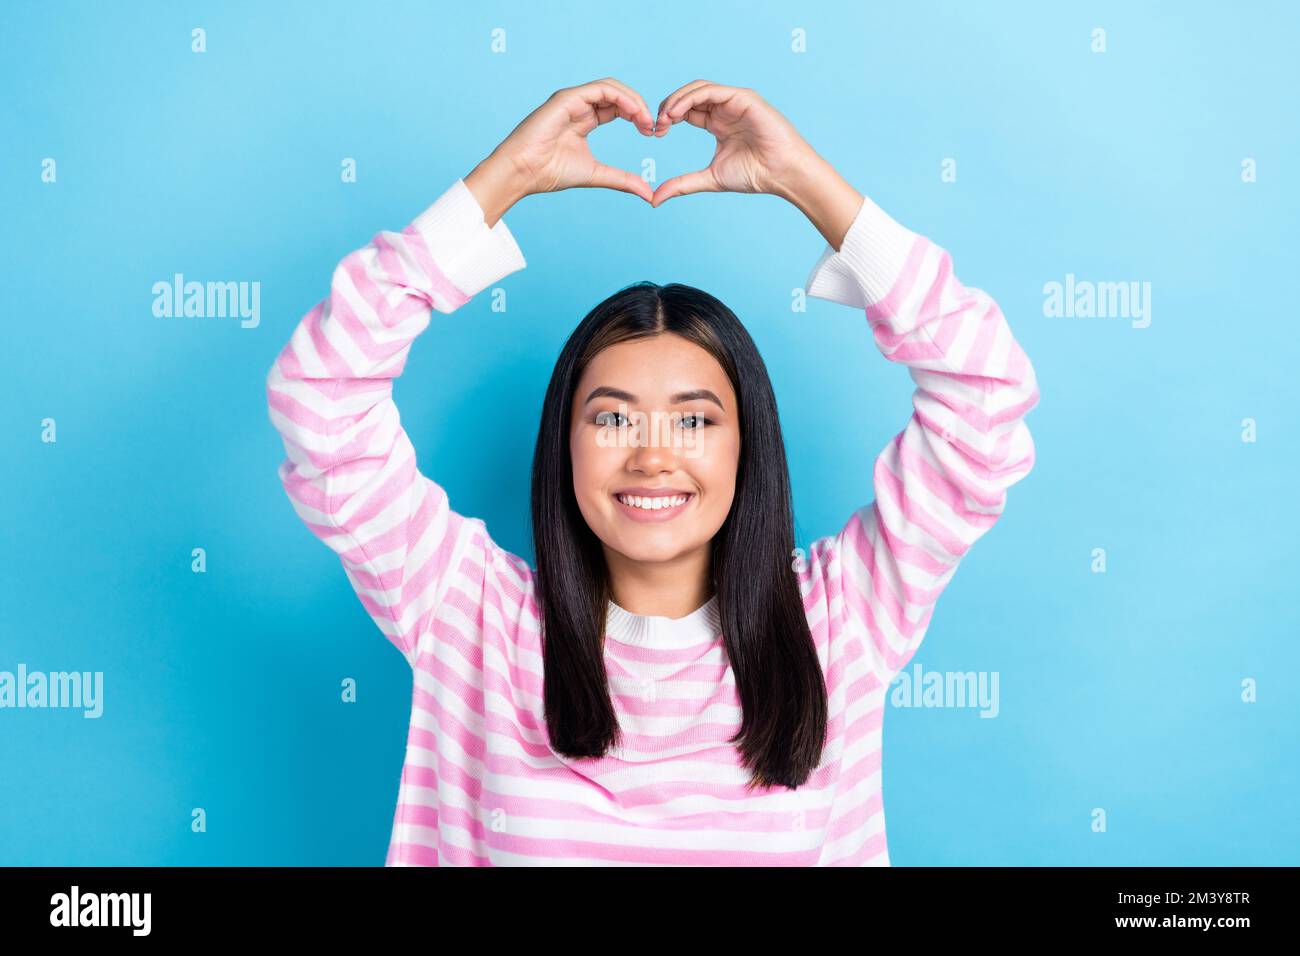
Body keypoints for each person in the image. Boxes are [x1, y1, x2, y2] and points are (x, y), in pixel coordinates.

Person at [264, 77, 1040, 865]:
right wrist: (505, 178)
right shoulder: (469, 616)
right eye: (612, 417)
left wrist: (805, 181)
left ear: (749, 444)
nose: (652, 453)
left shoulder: (845, 619)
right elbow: (320, 401)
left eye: (696, 419)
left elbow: (986, 397)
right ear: (563, 441)